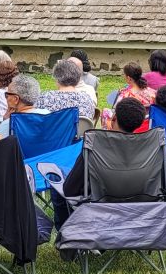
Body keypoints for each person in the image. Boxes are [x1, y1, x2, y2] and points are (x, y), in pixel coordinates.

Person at [52, 97, 149, 227]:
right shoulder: (149, 147)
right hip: (138, 208)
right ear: (139, 123)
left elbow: (70, 190)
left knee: (56, 179)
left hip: (99, 210)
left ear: (114, 118)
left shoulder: (95, 144)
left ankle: (67, 236)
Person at [37, 58, 98, 123]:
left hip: (52, 133)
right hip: (78, 133)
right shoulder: (87, 100)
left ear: (57, 78)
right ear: (78, 78)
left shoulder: (44, 98)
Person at [103, 63, 156, 128]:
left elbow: (116, 113)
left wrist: (110, 120)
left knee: (105, 111)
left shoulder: (125, 95)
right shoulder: (153, 93)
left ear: (129, 78)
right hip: (148, 125)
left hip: (129, 127)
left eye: (124, 75)